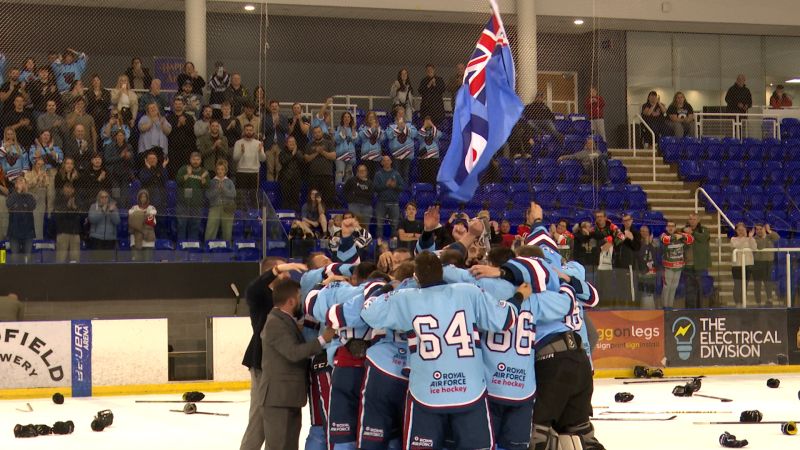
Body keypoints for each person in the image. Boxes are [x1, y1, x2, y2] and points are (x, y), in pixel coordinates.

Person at [361, 251, 521, 450]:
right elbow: (506, 320)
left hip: (426, 392)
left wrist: (383, 287)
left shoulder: (405, 297)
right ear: (442, 273)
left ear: (416, 277)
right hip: (469, 390)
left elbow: (368, 312)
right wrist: (520, 297)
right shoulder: (468, 292)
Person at [255, 278, 335, 450]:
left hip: (288, 397)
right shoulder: (275, 322)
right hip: (278, 398)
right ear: (291, 301)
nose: (301, 300)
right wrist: (323, 339)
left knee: (289, 446)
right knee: (279, 446)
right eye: (299, 296)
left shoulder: (285, 320)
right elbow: (293, 353)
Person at [239, 258, 307, 450]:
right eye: (285, 273)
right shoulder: (260, 296)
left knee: (270, 423)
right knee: (259, 421)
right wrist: (279, 269)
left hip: (279, 369)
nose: (288, 276)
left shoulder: (286, 298)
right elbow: (253, 288)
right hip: (262, 365)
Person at [175, 152, 208, 242]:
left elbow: (207, 187)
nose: (195, 161)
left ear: (201, 161)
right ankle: (181, 245)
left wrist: (203, 180)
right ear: (190, 160)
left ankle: (192, 246)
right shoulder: (183, 169)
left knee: (195, 226)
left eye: (197, 159)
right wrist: (188, 174)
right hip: (183, 204)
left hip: (197, 204)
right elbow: (178, 181)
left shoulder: (204, 172)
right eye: (193, 159)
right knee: (182, 226)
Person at [660, 221, 694, 308]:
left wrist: (682, 235)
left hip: (678, 267)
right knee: (667, 287)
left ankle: (670, 307)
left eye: (672, 226)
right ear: (666, 227)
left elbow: (691, 239)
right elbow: (665, 240)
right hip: (668, 267)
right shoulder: (663, 235)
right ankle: (664, 307)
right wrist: (677, 236)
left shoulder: (680, 236)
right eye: (669, 226)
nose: (671, 228)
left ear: (675, 227)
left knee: (674, 287)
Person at [232, 124, 266, 210]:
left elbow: (263, 159)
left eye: (250, 130)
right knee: (241, 195)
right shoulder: (238, 143)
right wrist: (241, 152)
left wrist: (260, 151)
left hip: (254, 172)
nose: (249, 132)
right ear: (244, 131)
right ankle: (240, 214)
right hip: (241, 171)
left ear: (253, 131)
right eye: (247, 130)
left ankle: (255, 214)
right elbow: (235, 158)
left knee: (253, 196)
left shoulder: (258, 143)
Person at [373, 156, 405, 241]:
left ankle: (394, 241)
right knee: (379, 224)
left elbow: (402, 187)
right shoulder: (378, 174)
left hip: (394, 202)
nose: (386, 162)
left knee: (394, 224)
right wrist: (385, 185)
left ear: (391, 162)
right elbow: (375, 188)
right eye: (384, 161)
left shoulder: (396, 174)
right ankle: (379, 241)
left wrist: (395, 186)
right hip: (381, 202)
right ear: (382, 163)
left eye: (388, 160)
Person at [304, 126, 337, 208]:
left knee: (328, 199)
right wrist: (316, 153)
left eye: (319, 132)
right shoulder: (309, 145)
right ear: (313, 134)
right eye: (315, 133)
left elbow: (333, 156)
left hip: (327, 175)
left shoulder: (329, 143)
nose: (317, 134)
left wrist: (322, 152)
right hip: (313, 176)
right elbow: (306, 159)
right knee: (314, 200)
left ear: (322, 132)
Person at [613, 213, 641, 305]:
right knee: (620, 286)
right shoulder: (619, 232)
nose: (626, 222)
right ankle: (621, 304)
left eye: (628, 220)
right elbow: (616, 246)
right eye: (624, 221)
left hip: (629, 264)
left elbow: (637, 247)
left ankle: (631, 305)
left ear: (632, 220)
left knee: (630, 286)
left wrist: (631, 239)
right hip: (619, 264)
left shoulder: (635, 233)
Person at [6, 176, 36, 263]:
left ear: (26, 184)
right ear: (15, 185)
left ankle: (27, 275)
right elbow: (9, 204)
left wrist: (24, 192)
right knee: (15, 258)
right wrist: (18, 192)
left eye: (23, 182)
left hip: (28, 233)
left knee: (28, 257)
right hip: (14, 232)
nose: (21, 183)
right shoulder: (11, 196)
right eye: (18, 182)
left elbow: (32, 206)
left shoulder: (30, 196)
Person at [205, 160, 236, 243]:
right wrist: (217, 190)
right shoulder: (212, 182)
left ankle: (227, 245)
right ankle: (208, 245)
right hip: (215, 207)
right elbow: (208, 195)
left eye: (222, 169)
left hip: (227, 208)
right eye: (218, 169)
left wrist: (224, 189)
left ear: (225, 170)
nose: (220, 171)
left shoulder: (229, 182)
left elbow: (233, 194)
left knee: (227, 229)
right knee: (210, 228)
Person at [385, 106, 417, 182]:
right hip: (396, 154)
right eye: (399, 113)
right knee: (397, 173)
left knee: (405, 173)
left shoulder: (409, 125)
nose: (401, 115)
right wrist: (398, 128)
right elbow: (389, 136)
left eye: (402, 113)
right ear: (396, 115)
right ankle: (397, 191)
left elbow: (414, 134)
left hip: (407, 154)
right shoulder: (391, 126)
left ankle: (405, 191)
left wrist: (404, 127)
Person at [166, 97, 197, 176]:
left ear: (184, 105)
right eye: (176, 104)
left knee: (185, 172)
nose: (178, 106)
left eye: (180, 104)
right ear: (173, 106)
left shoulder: (189, 118)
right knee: (173, 171)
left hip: (186, 150)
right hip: (173, 150)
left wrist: (184, 124)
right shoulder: (168, 118)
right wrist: (178, 125)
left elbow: (192, 133)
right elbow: (168, 133)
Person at [685, 213, 710, 308]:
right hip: (688, 265)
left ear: (698, 220)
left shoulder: (703, 230)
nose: (692, 221)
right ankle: (689, 310)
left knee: (700, 288)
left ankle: (700, 309)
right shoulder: (684, 230)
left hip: (700, 265)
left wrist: (692, 233)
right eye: (690, 219)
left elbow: (704, 239)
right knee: (689, 289)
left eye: (694, 219)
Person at [53, 182, 82, 263]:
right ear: (63, 189)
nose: (68, 190)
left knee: (75, 259)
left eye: (70, 188)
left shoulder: (77, 199)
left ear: (73, 190)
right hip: (63, 231)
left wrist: (74, 207)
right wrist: (67, 207)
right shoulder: (58, 199)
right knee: (60, 259)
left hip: (74, 232)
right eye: (66, 188)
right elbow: (57, 215)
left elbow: (81, 215)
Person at [24, 157, 52, 239]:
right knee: (29, 223)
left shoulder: (45, 175)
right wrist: (37, 178)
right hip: (29, 202)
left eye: (42, 165)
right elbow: (27, 185)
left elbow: (47, 186)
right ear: (34, 165)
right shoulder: (28, 174)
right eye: (38, 164)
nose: (40, 166)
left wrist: (42, 178)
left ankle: (39, 240)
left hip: (40, 202)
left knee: (39, 223)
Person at [87, 190, 120, 261]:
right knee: (96, 262)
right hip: (96, 238)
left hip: (110, 239)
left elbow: (117, 221)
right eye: (102, 197)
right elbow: (92, 220)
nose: (104, 199)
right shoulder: (94, 206)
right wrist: (102, 211)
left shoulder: (113, 207)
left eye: (106, 197)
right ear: (99, 198)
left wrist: (111, 211)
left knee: (108, 262)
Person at [103, 129, 135, 203]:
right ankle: (116, 208)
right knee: (116, 194)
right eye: (118, 135)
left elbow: (132, 162)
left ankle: (123, 208)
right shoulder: (110, 146)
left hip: (125, 174)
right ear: (115, 137)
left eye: (122, 135)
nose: (120, 137)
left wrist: (128, 157)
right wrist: (120, 157)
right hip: (114, 173)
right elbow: (107, 160)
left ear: (124, 137)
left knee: (124, 195)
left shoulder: (128, 146)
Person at [753, 223, 779, 306]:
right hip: (757, 263)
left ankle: (769, 299)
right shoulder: (754, 239)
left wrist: (769, 231)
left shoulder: (770, 237)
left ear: (764, 229)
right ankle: (758, 302)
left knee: (768, 282)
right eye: (757, 229)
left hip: (768, 263)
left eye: (761, 229)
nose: (759, 231)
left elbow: (777, 238)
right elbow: (760, 247)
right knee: (757, 284)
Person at [730, 222, 756, 306]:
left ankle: (743, 301)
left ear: (746, 230)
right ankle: (737, 302)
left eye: (743, 230)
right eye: (739, 230)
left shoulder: (750, 238)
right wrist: (746, 238)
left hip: (748, 264)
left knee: (745, 285)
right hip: (737, 265)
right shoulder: (733, 239)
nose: (741, 231)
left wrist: (750, 238)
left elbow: (754, 248)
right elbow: (737, 246)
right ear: (736, 231)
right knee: (737, 285)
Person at [262, 100, 289, 182]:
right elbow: (264, 131)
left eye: (275, 106)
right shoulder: (266, 118)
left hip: (280, 145)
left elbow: (286, 130)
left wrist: (279, 124)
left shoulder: (283, 118)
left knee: (279, 168)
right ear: (270, 108)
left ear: (279, 107)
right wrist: (274, 126)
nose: (274, 107)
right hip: (269, 145)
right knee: (270, 168)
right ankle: (270, 188)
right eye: (272, 106)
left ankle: (277, 186)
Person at [637, 224, 661, 309]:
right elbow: (640, 256)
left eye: (646, 231)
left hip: (652, 273)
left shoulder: (653, 244)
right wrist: (646, 244)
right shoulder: (638, 243)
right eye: (642, 231)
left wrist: (650, 244)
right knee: (645, 295)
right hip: (642, 273)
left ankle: (651, 311)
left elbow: (654, 256)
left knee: (651, 294)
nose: (644, 233)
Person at [128, 189, 157, 261]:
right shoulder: (134, 208)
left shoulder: (151, 208)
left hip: (148, 242)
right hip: (135, 241)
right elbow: (132, 223)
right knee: (136, 265)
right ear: (138, 198)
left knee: (147, 265)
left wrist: (139, 216)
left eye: (145, 197)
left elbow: (151, 223)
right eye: (141, 197)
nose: (143, 199)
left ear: (147, 198)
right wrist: (144, 214)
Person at [278, 136, 304, 212]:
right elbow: (283, 161)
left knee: (295, 199)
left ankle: (295, 216)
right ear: (286, 144)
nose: (292, 143)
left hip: (296, 179)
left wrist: (296, 153)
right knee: (286, 199)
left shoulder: (299, 152)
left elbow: (302, 161)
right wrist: (292, 154)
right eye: (290, 142)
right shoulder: (282, 152)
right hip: (286, 179)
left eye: (293, 142)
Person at [357, 111, 384, 178]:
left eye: (373, 117)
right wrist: (371, 128)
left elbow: (382, 138)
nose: (371, 119)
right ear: (367, 118)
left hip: (376, 155)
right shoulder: (363, 127)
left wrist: (376, 129)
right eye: (370, 117)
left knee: (375, 175)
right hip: (366, 155)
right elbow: (361, 136)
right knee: (366, 175)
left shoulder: (379, 128)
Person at [416, 116, 442, 184]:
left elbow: (437, 135)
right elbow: (419, 135)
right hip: (424, 156)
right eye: (426, 121)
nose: (428, 122)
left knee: (433, 175)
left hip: (434, 156)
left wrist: (432, 125)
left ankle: (433, 191)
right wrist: (424, 126)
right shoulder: (420, 131)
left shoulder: (436, 131)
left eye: (429, 121)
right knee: (424, 175)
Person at [334, 111, 358, 184]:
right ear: (342, 119)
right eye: (345, 117)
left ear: (351, 119)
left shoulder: (352, 129)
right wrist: (342, 134)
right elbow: (336, 140)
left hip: (350, 156)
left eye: (348, 117)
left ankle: (346, 192)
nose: (346, 118)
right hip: (340, 156)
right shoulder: (338, 128)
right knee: (340, 173)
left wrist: (353, 129)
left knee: (348, 175)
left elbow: (356, 141)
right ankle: (338, 191)